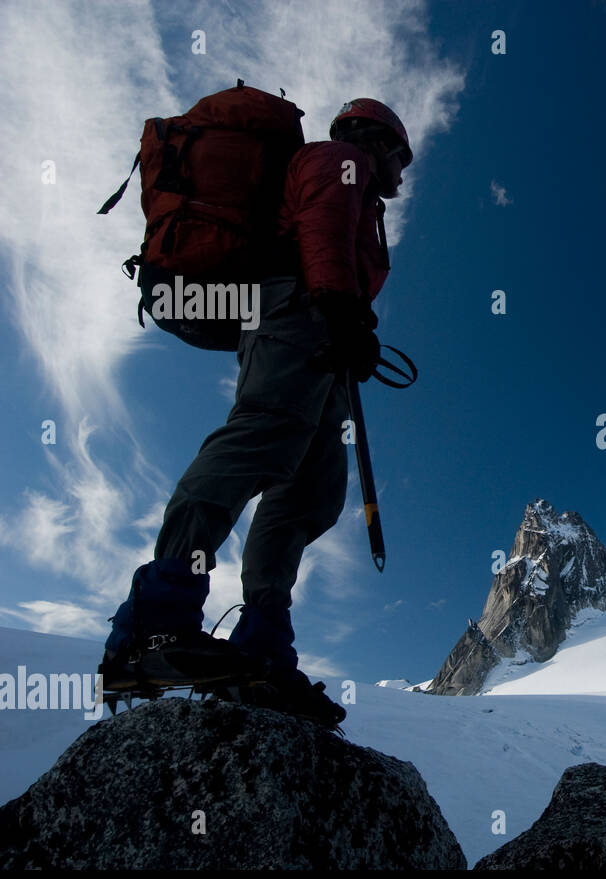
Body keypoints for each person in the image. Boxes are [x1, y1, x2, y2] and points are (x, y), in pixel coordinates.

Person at [98, 98, 414, 726]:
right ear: (375, 140)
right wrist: (336, 304)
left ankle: (263, 650)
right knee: (261, 437)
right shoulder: (338, 160)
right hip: (298, 309)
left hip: (320, 330)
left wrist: (346, 322)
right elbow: (321, 227)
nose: (402, 170)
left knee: (310, 492)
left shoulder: (357, 186)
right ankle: (155, 624)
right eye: (400, 155)